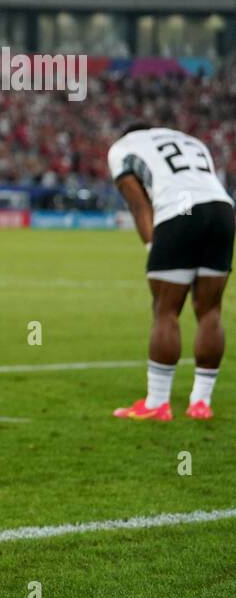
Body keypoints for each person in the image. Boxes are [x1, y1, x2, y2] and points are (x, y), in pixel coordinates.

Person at [109, 122, 234, 420]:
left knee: (166, 310)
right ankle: (201, 403)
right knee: (210, 310)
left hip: (180, 213)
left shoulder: (122, 147)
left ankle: (157, 403)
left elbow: (139, 207)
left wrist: (155, 249)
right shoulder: (191, 140)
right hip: (222, 210)